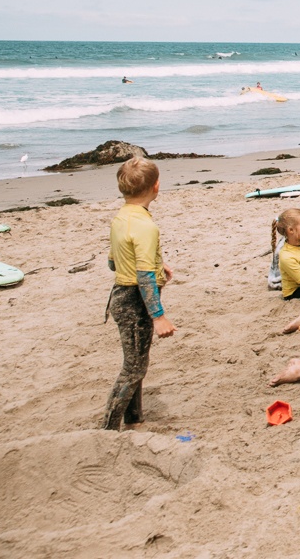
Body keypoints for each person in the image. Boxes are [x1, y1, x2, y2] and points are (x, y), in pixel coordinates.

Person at [102, 156, 175, 430]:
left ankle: (134, 418)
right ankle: (108, 427)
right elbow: (143, 277)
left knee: (138, 363)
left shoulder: (121, 217)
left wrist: (157, 265)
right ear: (156, 187)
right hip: (134, 300)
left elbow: (113, 262)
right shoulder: (146, 226)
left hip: (121, 295)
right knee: (133, 369)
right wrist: (158, 316)